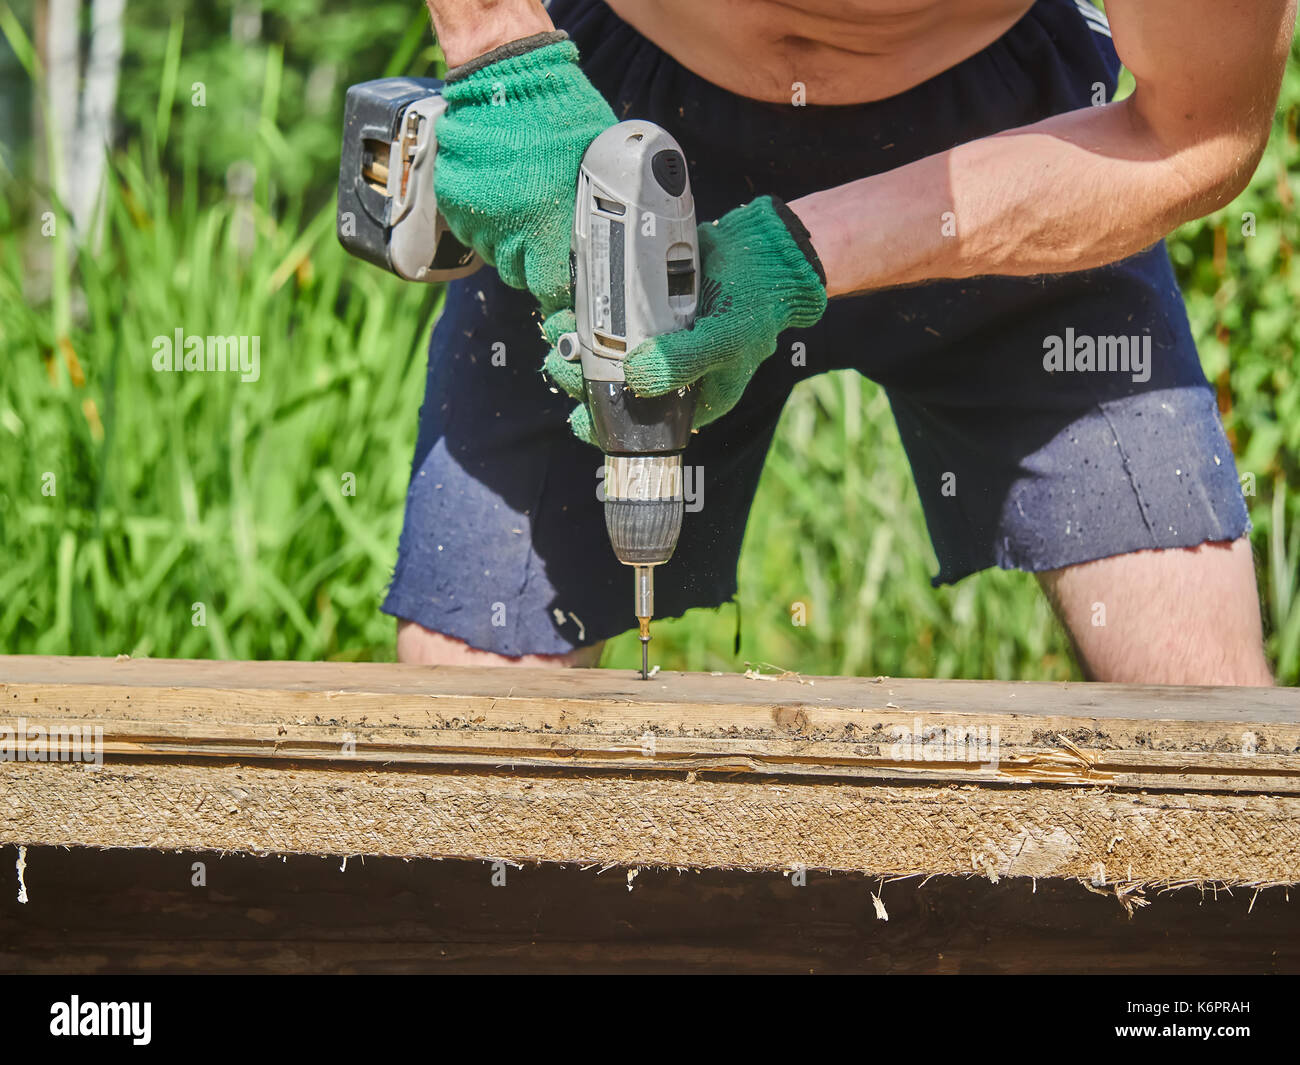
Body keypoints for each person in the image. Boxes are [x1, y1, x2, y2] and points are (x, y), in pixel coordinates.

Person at [384, 0, 1294, 684]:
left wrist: (798, 255)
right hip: (610, 109)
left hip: (1029, 155)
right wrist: (503, 60)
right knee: (469, 692)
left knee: (1203, 704)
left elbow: (1196, 135)